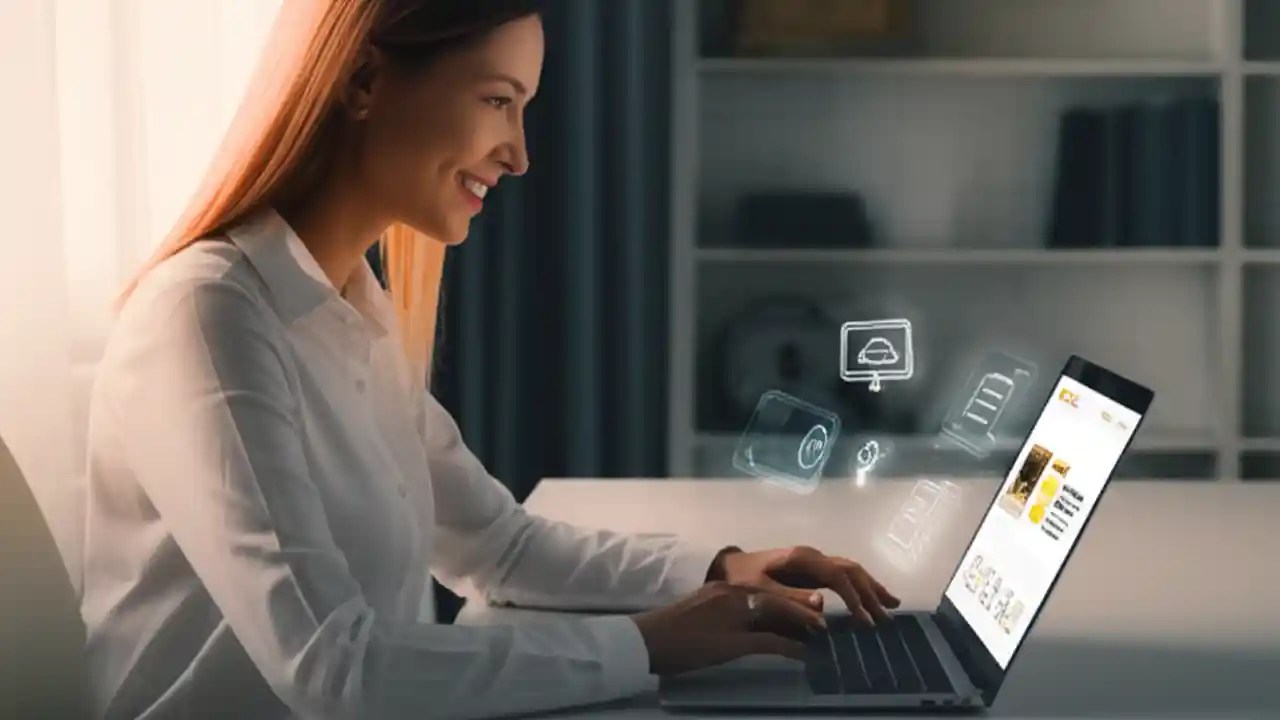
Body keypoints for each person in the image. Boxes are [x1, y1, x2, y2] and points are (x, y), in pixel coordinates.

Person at [80, 1, 900, 717]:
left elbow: (497, 548)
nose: (519, 154)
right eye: (498, 102)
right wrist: (651, 646)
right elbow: (334, 669)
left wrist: (725, 569)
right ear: (363, 82)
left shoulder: (348, 307)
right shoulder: (210, 315)